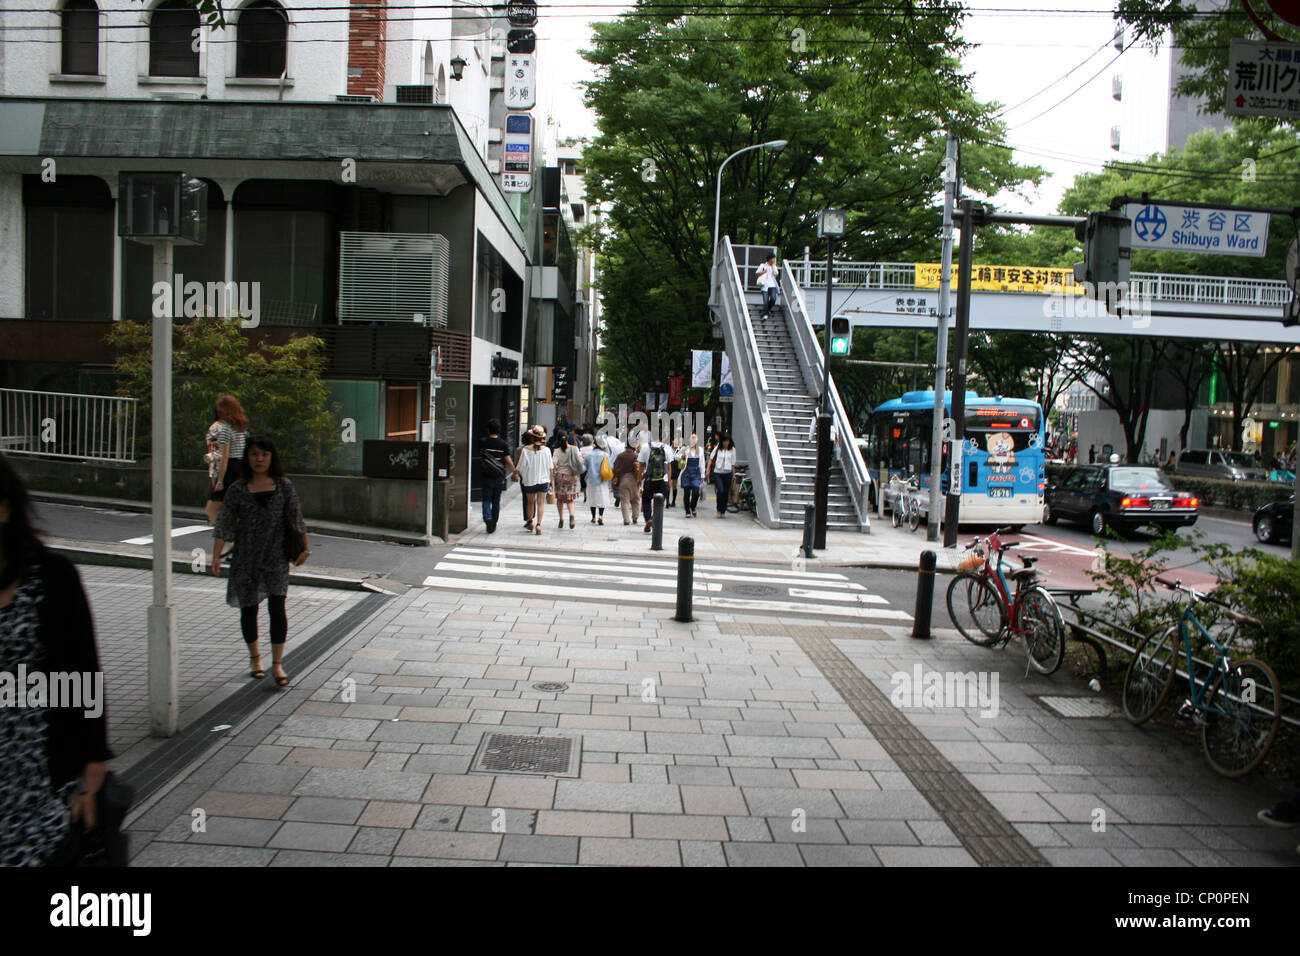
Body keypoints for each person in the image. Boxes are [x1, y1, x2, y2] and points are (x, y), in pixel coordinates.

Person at [0, 453, 113, 866]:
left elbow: (82, 672)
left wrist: (93, 763)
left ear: (5, 508)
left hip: (34, 776)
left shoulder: (50, 577)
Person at [211, 436, 310, 687]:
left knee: (277, 608)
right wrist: (215, 557)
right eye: (254, 454)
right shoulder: (237, 489)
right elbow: (223, 524)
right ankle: (255, 658)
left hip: (275, 557)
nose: (259, 459)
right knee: (249, 609)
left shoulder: (283, 486)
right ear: (247, 457)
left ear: (271, 458)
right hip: (245, 559)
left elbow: (296, 518)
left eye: (264, 455)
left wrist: (305, 548)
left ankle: (277, 664)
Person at [208, 395, 249, 522]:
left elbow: (225, 456)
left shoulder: (226, 429)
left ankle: (224, 528)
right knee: (237, 500)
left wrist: (220, 481)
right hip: (241, 466)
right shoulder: (241, 428)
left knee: (215, 503)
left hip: (230, 467)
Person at [478, 419, 519, 535]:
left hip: (486, 476)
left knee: (486, 499)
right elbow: (508, 460)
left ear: (488, 429)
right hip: (498, 477)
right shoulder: (503, 444)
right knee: (496, 500)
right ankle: (493, 522)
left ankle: (488, 518)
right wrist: (514, 471)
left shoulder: (482, 442)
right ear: (499, 430)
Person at [517, 426, 553, 536]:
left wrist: (521, 475)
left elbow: (521, 467)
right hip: (543, 480)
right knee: (541, 503)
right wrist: (551, 480)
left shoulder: (526, 450)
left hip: (530, 481)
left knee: (530, 502)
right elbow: (550, 467)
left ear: (532, 437)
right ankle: (539, 525)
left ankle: (530, 521)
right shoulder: (547, 450)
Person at [638, 432, 672, 534]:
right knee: (660, 503)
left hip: (649, 480)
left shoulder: (645, 447)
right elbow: (669, 467)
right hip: (663, 480)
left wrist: (639, 478)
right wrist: (669, 481)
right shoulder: (667, 448)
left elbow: (641, 465)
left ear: (651, 437)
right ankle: (653, 518)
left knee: (646, 500)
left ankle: (648, 518)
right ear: (661, 437)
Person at [551, 429, 584, 530]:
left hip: (560, 477)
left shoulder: (556, 451)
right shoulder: (574, 449)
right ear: (567, 438)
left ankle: (561, 519)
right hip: (572, 476)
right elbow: (581, 460)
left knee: (560, 500)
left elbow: (554, 464)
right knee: (570, 500)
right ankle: (572, 515)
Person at [583, 435, 613, 525]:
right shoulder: (605, 455)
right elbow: (610, 467)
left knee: (592, 498)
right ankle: (600, 516)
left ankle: (593, 517)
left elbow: (584, 467)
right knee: (602, 498)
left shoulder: (588, 455)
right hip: (602, 479)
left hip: (591, 479)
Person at [707, 434, 737, 518]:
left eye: (727, 441)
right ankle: (718, 510)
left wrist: (733, 474)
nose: (725, 443)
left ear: (729, 441)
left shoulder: (733, 450)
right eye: (724, 441)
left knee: (726, 493)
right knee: (720, 491)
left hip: (728, 473)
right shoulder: (718, 448)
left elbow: (733, 463)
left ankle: (723, 510)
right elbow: (711, 458)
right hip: (718, 472)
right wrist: (708, 469)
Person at [613, 441, 641, 526]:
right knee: (635, 500)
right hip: (634, 479)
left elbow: (615, 467)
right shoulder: (636, 456)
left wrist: (615, 477)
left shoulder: (620, 456)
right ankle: (635, 517)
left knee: (624, 501)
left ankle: (626, 520)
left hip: (623, 479)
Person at [679, 433, 706, 518]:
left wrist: (703, 474)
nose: (693, 439)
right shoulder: (685, 449)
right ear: (689, 439)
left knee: (696, 492)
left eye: (695, 437)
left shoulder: (700, 450)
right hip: (686, 473)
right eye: (692, 437)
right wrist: (682, 456)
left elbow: (702, 462)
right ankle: (687, 511)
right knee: (686, 493)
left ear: (697, 440)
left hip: (696, 473)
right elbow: (676, 456)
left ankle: (693, 506)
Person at [515, 427, 535, 529]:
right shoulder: (536, 450)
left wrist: (516, 474)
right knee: (533, 499)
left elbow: (517, 464)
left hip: (524, 477)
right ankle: (531, 518)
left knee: (525, 498)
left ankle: (528, 519)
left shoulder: (519, 450)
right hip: (534, 476)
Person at [756, 253, 779, 319]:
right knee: (765, 301)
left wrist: (773, 267)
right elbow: (757, 273)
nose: (774, 260)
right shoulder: (762, 265)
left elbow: (775, 274)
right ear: (770, 259)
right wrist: (764, 272)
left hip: (772, 285)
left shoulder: (774, 266)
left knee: (773, 299)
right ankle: (765, 314)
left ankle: (767, 310)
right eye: (773, 258)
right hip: (764, 286)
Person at [668, 437, 684, 508]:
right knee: (668, 484)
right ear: (672, 441)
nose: (676, 443)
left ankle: (673, 501)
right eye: (675, 441)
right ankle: (667, 501)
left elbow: (682, 459)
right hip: (669, 466)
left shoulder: (680, 450)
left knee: (674, 484)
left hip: (676, 467)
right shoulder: (668, 449)